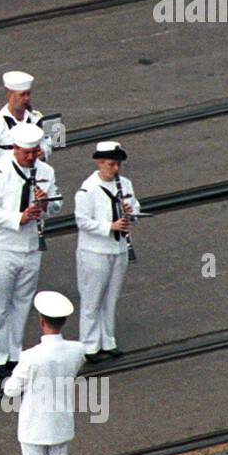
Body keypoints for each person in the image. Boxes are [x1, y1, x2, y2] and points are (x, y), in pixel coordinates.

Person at [2, 290, 87, 455]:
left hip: (34, 425)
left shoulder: (30, 356)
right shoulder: (77, 350)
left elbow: (11, 390)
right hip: (61, 421)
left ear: (41, 321)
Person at [0, 122, 61, 379]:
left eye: (34, 152)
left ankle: (14, 353)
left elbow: (58, 204)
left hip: (31, 246)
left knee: (22, 301)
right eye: (26, 153)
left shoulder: (45, 171)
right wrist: (19, 217)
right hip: (4, 245)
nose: (31, 157)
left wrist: (46, 202)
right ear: (15, 148)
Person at [74, 140, 139, 362]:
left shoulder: (125, 184)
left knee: (111, 297)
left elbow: (136, 206)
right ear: (99, 163)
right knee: (92, 298)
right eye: (111, 164)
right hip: (95, 250)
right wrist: (109, 227)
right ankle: (89, 345)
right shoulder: (87, 189)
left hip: (118, 248)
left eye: (118, 164)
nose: (116, 169)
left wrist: (131, 212)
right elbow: (82, 221)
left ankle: (108, 340)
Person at [0, 72, 55, 176]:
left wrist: (43, 152)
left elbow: (49, 142)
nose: (26, 98)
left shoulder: (37, 118)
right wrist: (0, 179)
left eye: (28, 94)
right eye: (22, 95)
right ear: (9, 95)